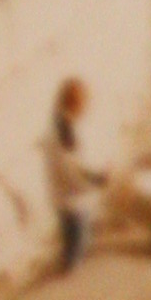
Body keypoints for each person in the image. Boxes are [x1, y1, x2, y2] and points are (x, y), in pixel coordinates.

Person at [47, 77, 105, 274]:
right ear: (75, 103)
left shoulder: (60, 125)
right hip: (73, 201)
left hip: (65, 199)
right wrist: (98, 180)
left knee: (71, 249)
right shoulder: (66, 132)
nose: (86, 108)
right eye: (84, 102)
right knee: (76, 253)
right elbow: (72, 171)